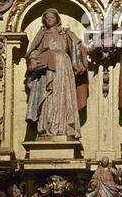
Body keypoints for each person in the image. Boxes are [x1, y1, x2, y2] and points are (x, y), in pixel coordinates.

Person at [25, 9, 88, 139]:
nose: (49, 20)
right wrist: (32, 57)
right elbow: (35, 50)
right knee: (49, 95)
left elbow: (78, 46)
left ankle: (63, 126)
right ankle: (47, 126)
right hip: (48, 68)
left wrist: (84, 52)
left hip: (63, 67)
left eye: (52, 17)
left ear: (57, 19)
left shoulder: (65, 33)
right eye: (47, 18)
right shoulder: (42, 34)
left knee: (62, 94)